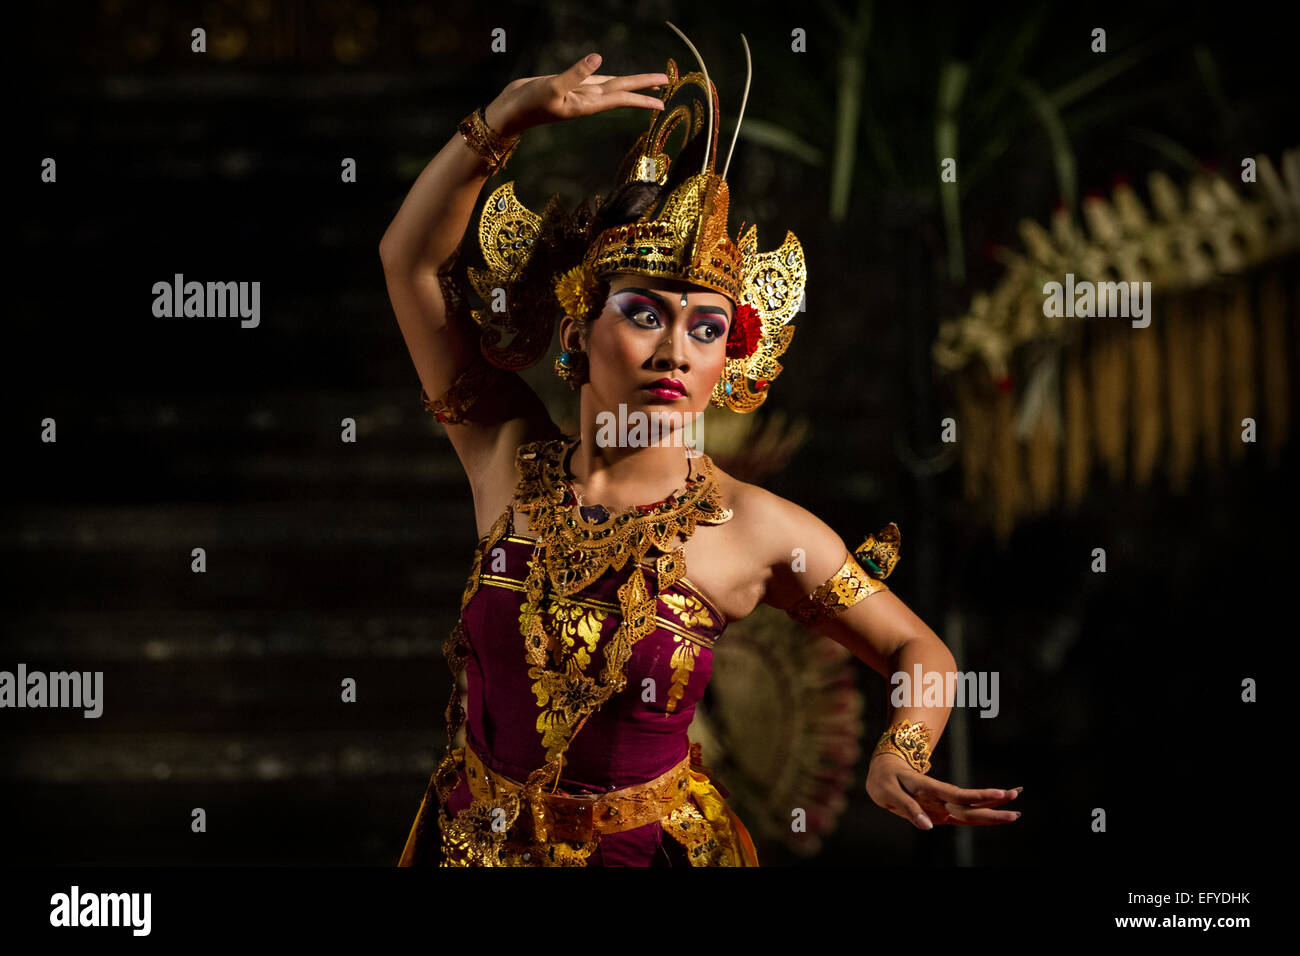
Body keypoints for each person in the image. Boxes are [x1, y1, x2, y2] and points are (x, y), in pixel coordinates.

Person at [380, 22, 1020, 867]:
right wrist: (501, 121)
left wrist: (900, 754)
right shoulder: (502, 454)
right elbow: (408, 263)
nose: (675, 347)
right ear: (577, 323)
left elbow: (921, 652)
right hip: (468, 845)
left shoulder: (756, 528)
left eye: (706, 326)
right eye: (643, 313)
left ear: (731, 358)